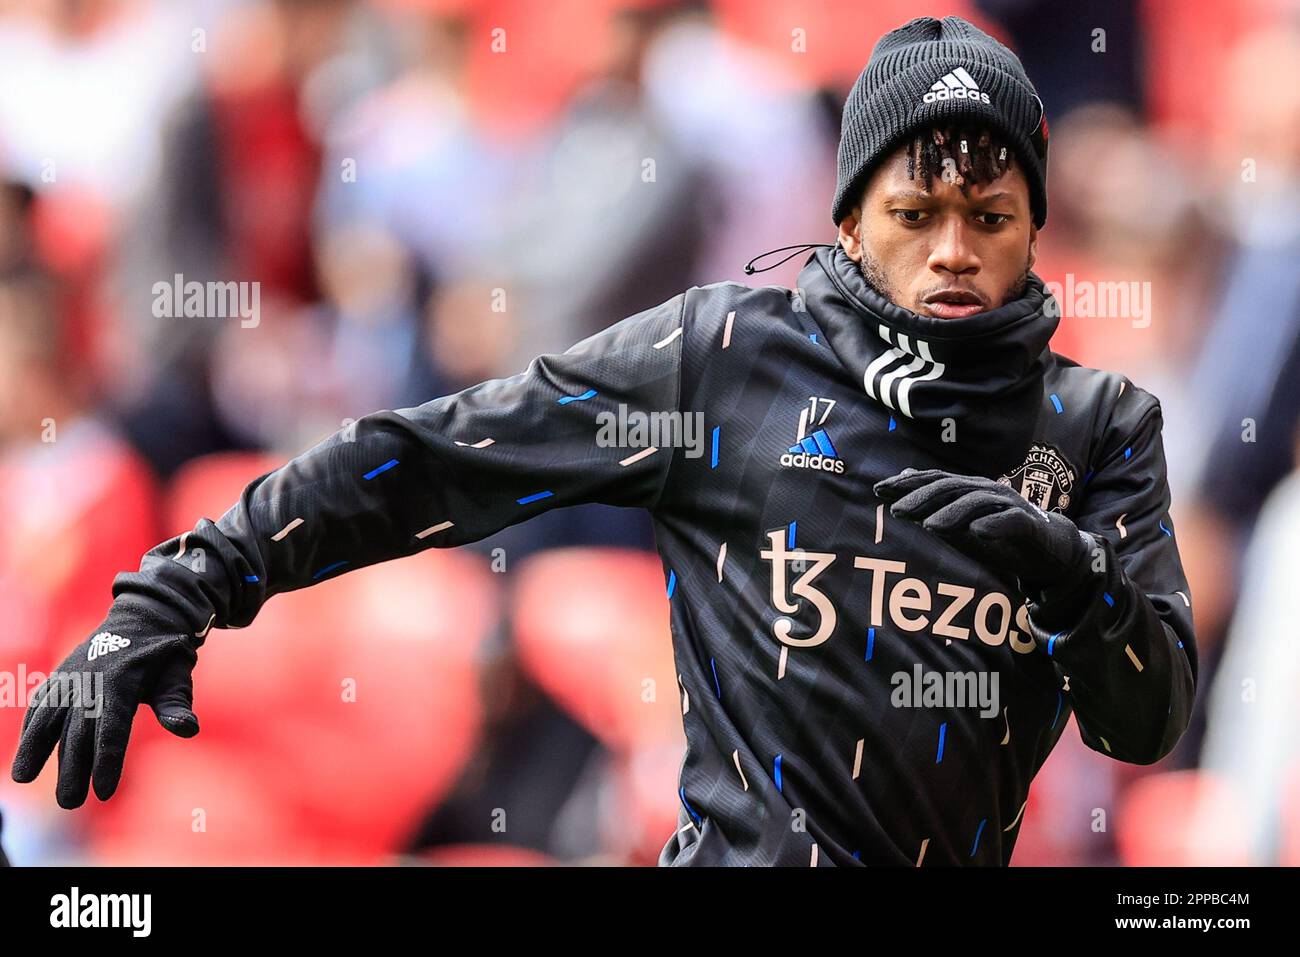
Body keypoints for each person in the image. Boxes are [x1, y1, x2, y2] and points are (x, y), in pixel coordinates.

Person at [11, 15, 1197, 866]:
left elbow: (1144, 726)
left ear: (1036, 228)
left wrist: (1078, 592)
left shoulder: (1096, 428)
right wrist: (185, 581)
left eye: (989, 217)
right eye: (914, 212)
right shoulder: (728, 358)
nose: (952, 248)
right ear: (847, 219)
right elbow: (433, 458)